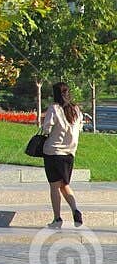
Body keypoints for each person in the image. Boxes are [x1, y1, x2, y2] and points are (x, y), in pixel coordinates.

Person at [40, 81, 84, 228]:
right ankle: (75, 210)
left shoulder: (54, 108)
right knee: (64, 184)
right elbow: (79, 128)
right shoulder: (76, 110)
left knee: (54, 186)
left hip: (53, 152)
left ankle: (57, 218)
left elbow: (46, 129)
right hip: (69, 153)